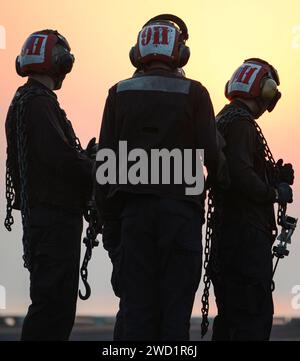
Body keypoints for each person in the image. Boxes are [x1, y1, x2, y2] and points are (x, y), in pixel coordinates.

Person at [96, 14, 229, 341]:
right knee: (175, 315)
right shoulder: (195, 93)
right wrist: (213, 187)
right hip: (181, 217)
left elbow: (104, 167)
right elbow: (213, 158)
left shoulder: (118, 93)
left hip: (134, 217)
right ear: (180, 54)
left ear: (137, 53)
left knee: (136, 313)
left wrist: (112, 231)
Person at [5, 30, 96, 340]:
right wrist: (93, 166)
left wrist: (83, 158)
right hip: (55, 218)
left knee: (49, 302)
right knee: (54, 306)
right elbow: (60, 158)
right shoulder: (38, 104)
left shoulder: (26, 100)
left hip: (45, 216)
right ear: (60, 62)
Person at [209, 58, 294, 341]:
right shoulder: (241, 125)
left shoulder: (224, 119)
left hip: (228, 235)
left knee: (231, 317)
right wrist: (274, 192)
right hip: (246, 237)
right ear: (265, 90)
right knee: (253, 318)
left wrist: (271, 174)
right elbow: (240, 175)